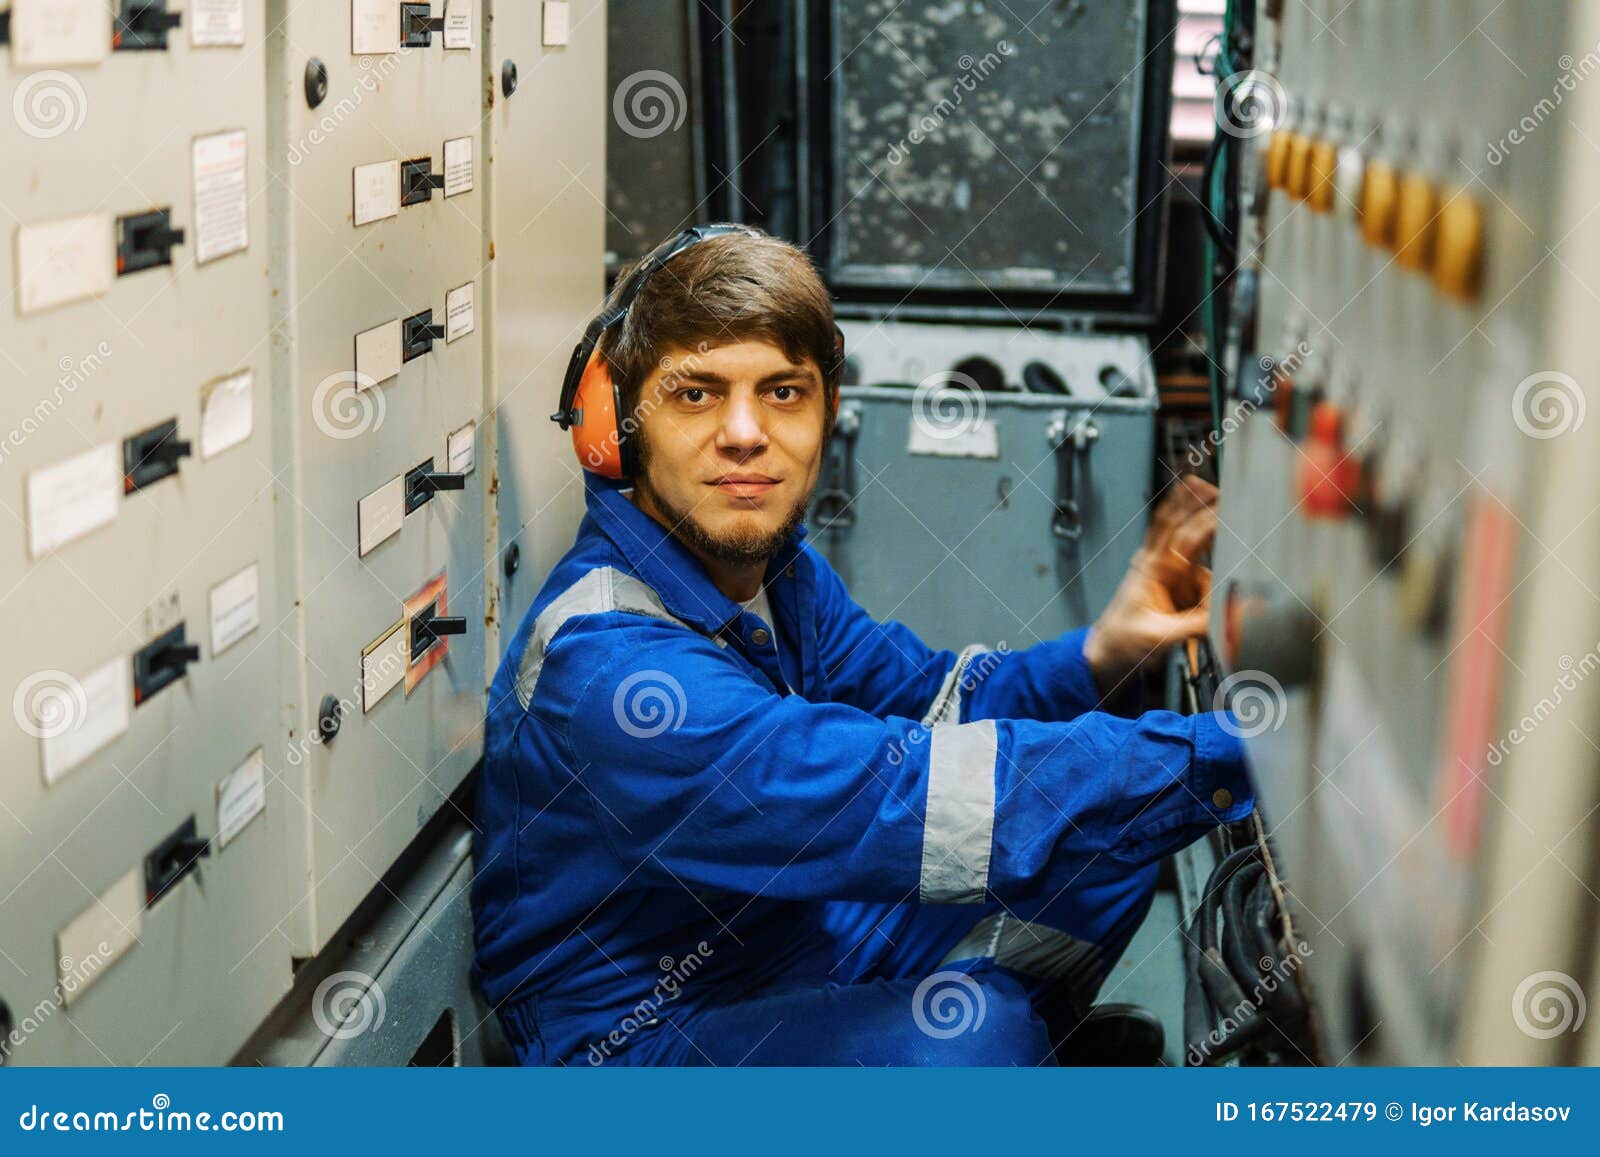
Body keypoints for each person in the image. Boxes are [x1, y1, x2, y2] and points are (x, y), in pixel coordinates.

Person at [471, 224, 1252, 1066]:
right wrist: (1238, 752)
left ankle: (983, 1050)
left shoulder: (772, 571)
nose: (744, 432)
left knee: (1106, 844)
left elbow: (935, 702)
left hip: (793, 932)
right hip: (646, 1035)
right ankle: (985, 1052)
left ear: (827, 412)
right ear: (617, 423)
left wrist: (1101, 651)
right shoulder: (610, 671)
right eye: (695, 394)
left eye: (782, 391)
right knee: (977, 1029)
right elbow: (906, 799)